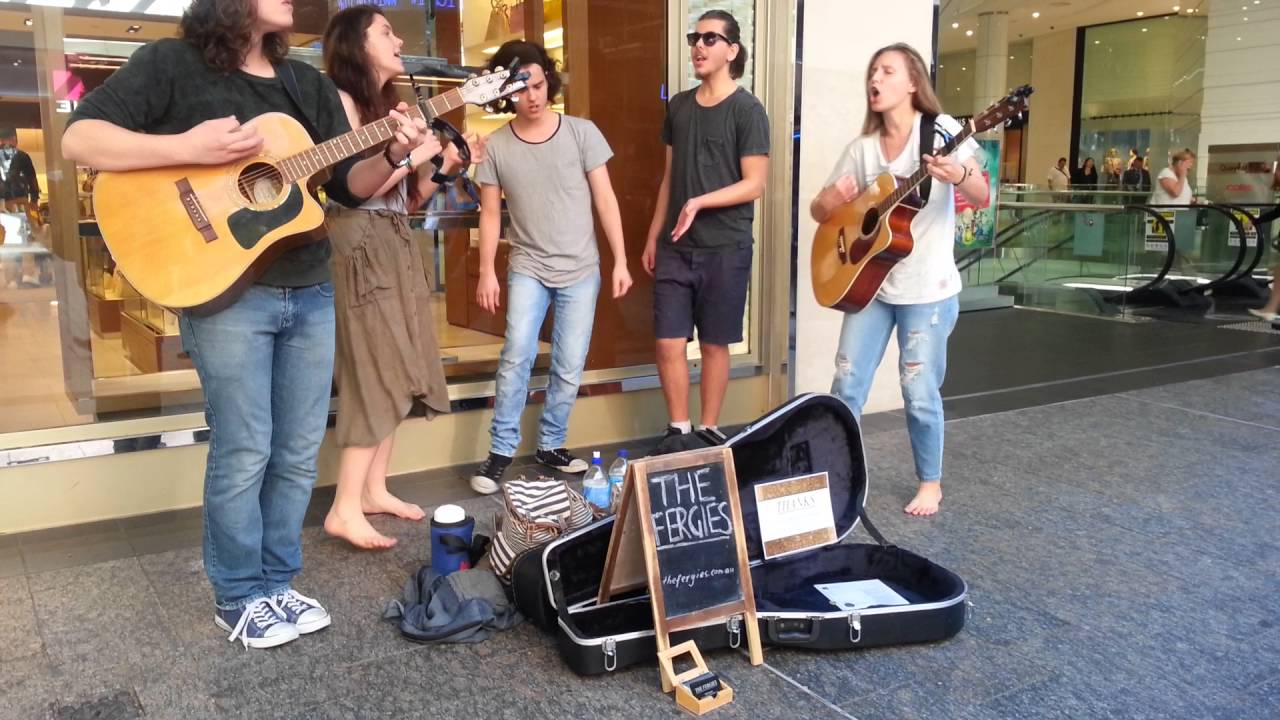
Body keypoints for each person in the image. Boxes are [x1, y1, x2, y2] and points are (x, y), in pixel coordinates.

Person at [62, 0, 430, 648]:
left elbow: (350, 186)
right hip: (228, 294)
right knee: (245, 448)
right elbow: (79, 138)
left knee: (294, 450)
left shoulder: (304, 84)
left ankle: (277, 583)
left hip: (311, 287)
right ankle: (237, 595)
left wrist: (396, 155)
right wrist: (187, 146)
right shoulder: (171, 64)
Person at [320, 6, 480, 548]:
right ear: (355, 45)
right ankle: (344, 506)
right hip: (359, 244)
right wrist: (403, 155)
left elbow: (405, 200)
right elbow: (352, 189)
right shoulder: (339, 103)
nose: (399, 38)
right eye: (385, 31)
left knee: (404, 363)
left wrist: (442, 168)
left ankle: (372, 490)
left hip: (392, 239)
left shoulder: (389, 108)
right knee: (378, 367)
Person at [809, 43, 988, 517]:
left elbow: (982, 193)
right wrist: (831, 199)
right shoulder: (862, 149)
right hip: (870, 287)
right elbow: (820, 212)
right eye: (872, 71)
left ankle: (930, 483)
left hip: (926, 290)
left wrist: (957, 172)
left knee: (918, 391)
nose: (875, 79)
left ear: (913, 83)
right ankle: (834, 474)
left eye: (887, 71)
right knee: (846, 384)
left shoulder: (943, 131)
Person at [468, 40, 632, 495]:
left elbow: (606, 200)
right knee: (516, 353)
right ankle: (500, 452)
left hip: (582, 268)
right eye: (521, 89)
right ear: (506, 92)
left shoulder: (582, 132)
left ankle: (551, 444)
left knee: (569, 362)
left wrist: (620, 260)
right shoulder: (498, 146)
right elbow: (490, 213)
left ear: (549, 83)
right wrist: (486, 271)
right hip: (527, 265)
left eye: (538, 85)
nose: (532, 96)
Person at [641, 9, 769, 444]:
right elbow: (669, 179)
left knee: (715, 344)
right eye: (695, 37)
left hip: (726, 248)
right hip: (677, 247)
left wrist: (699, 201)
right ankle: (679, 428)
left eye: (710, 39)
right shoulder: (678, 105)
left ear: (732, 50)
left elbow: (755, 184)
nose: (698, 45)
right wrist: (655, 236)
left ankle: (710, 431)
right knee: (668, 343)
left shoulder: (748, 110)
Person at [0, 127, 39, 212]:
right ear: (14, 138)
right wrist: (34, 199)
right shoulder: (22, 155)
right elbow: (32, 178)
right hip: (18, 201)